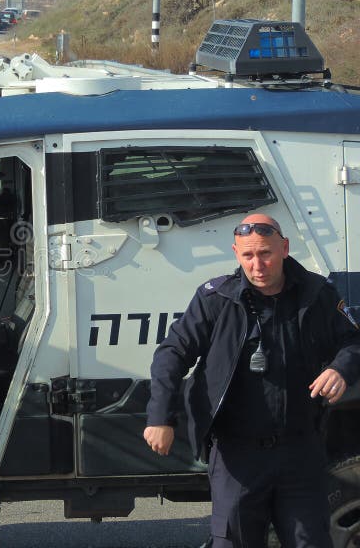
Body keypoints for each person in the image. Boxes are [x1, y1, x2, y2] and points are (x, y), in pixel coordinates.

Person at [144, 213, 360, 547]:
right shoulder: (216, 300)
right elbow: (171, 354)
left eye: (265, 253)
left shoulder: (317, 294)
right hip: (237, 456)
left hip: (300, 452)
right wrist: (161, 417)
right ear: (236, 253)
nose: (257, 264)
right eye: (248, 255)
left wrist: (341, 369)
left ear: (284, 248)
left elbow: (353, 342)